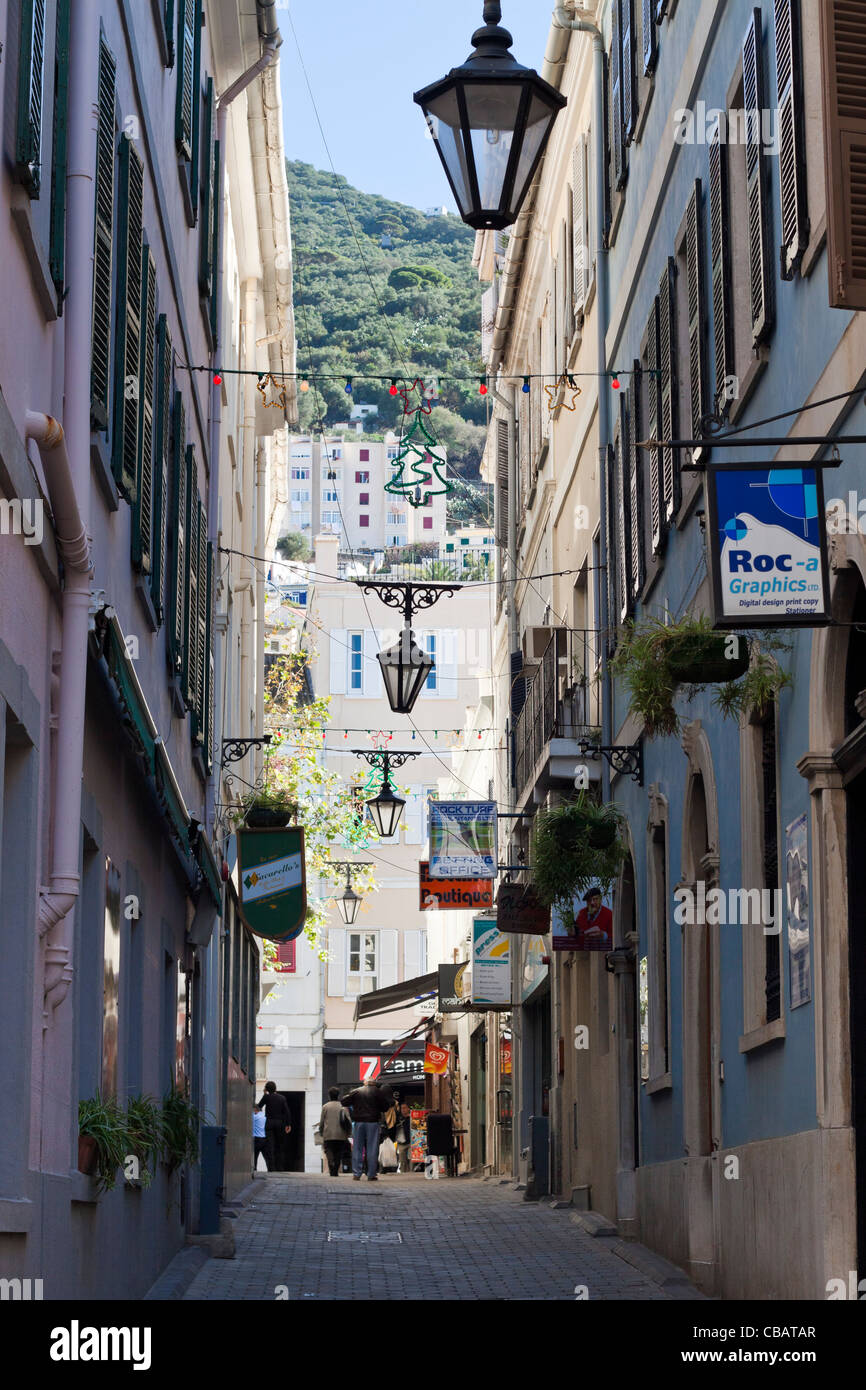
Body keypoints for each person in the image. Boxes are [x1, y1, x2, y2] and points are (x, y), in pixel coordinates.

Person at [341, 1077, 389, 1181]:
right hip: (373, 1122)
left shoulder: (357, 1091)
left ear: (364, 1083)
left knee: (357, 1147)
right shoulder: (378, 1092)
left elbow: (344, 1101)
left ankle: (357, 1173)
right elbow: (385, 1107)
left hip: (359, 1123)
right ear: (374, 1084)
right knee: (372, 1148)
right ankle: (371, 1174)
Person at [257, 1081, 292, 1172]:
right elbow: (287, 1112)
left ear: (267, 1089)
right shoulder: (282, 1098)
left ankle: (272, 1168)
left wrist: (264, 1094)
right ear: (275, 1088)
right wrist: (288, 1124)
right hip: (280, 1123)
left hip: (269, 1123)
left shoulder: (266, 1097)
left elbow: (259, 1107)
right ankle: (280, 1167)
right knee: (280, 1145)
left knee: (270, 1146)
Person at [318, 1086, 351, 1177]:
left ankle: (331, 1163)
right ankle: (335, 1170)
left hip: (328, 1133)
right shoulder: (343, 1107)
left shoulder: (325, 1106)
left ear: (329, 1096)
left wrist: (321, 1131)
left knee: (328, 1150)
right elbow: (348, 1121)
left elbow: (322, 1121)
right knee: (338, 1152)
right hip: (341, 1134)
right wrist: (348, 1133)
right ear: (338, 1095)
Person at [574, 887, 613, 951]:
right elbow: (578, 933)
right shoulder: (582, 913)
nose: (592, 903)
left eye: (595, 899)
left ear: (600, 899)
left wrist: (603, 935)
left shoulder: (609, 914)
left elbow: (615, 936)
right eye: (589, 900)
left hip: (602, 952)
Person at [395, 1102, 412, 1173]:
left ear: (408, 1109)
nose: (403, 1110)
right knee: (402, 1160)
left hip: (411, 1142)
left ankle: (411, 1172)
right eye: (401, 1108)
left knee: (411, 1159)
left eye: (405, 1108)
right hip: (401, 1142)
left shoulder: (412, 1118)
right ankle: (403, 1173)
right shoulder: (399, 1118)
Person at [253, 1104, 267, 1170]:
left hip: (257, 1139)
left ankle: (254, 1169)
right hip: (264, 1139)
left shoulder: (254, 1117)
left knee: (255, 1156)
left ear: (255, 1109)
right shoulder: (265, 1116)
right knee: (266, 1157)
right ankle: (270, 1170)